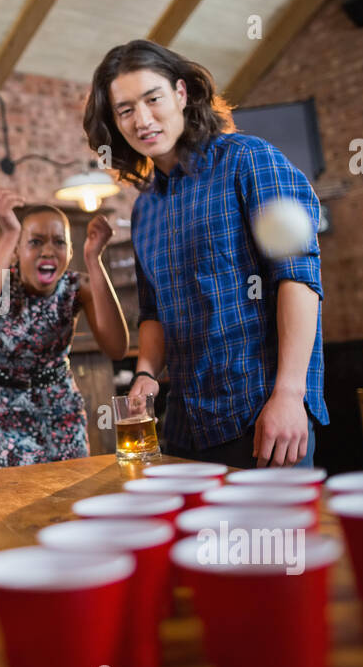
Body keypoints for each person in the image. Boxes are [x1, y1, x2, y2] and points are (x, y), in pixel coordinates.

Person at [84, 40, 327, 469]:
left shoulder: (251, 162)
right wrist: (144, 375)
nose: (142, 119)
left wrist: (290, 395)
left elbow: (298, 279)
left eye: (152, 99)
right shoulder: (145, 210)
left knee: (275, 539)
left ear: (181, 93)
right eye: (125, 110)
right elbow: (154, 312)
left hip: (263, 419)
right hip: (185, 428)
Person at [0, 191, 129, 467]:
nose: (48, 251)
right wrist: (9, 233)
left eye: (59, 242)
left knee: (70, 486)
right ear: (17, 250)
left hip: (60, 405)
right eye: (35, 242)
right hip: (1, 409)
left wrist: (94, 259)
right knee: (23, 489)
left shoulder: (76, 286)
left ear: (70, 251)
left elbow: (117, 348)